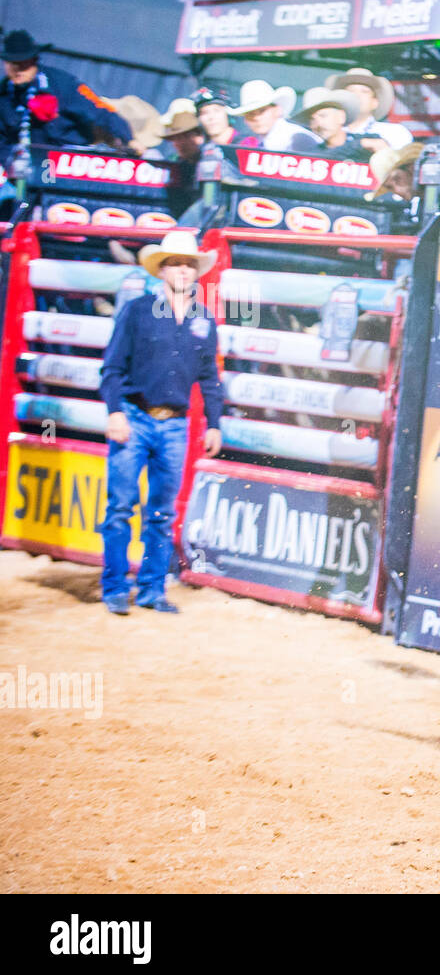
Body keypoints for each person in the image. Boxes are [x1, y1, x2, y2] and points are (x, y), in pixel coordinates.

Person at [98, 231, 225, 616]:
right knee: (121, 506)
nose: (183, 270)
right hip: (135, 417)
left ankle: (152, 589)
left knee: (162, 512)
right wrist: (115, 412)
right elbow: (112, 367)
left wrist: (215, 423)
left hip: (175, 425)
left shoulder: (204, 320)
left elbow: (209, 377)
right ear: (163, 270)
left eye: (188, 264)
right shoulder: (137, 311)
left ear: (196, 271)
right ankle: (116, 587)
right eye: (176, 263)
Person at [0, 28, 131, 170]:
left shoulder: (62, 84)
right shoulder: (4, 95)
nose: (18, 69)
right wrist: (9, 162)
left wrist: (128, 140)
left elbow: (100, 111)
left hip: (70, 164)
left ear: (34, 61)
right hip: (29, 169)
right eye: (13, 63)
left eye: (24, 63)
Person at [324, 68, 413, 152]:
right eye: (350, 91)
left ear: (375, 102)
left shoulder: (394, 133)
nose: (356, 95)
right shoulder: (324, 130)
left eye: (364, 91)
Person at [230, 80, 318, 153]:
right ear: (245, 120)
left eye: (262, 111)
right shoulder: (258, 140)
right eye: (250, 114)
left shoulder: (298, 138)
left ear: (277, 110)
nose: (256, 118)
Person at [293, 87, 375, 161]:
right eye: (312, 120)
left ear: (341, 117)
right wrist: (359, 145)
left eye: (323, 116)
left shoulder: (370, 139)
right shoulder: (311, 156)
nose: (319, 123)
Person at [191, 86, 256, 147]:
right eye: (204, 113)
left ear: (228, 113)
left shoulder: (248, 144)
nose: (211, 117)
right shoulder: (201, 150)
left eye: (216, 110)